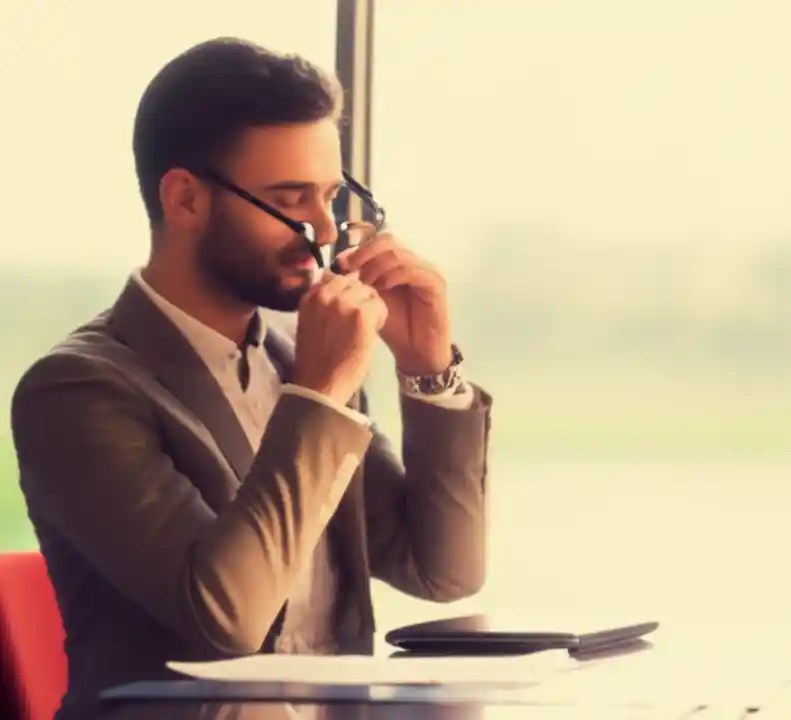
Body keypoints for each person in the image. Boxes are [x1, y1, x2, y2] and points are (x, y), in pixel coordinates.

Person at [11, 38, 490, 718]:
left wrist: (427, 371)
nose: (325, 230)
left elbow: (444, 572)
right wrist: (319, 397)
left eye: (332, 197)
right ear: (185, 200)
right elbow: (225, 618)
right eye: (291, 199)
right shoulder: (76, 391)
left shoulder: (296, 357)